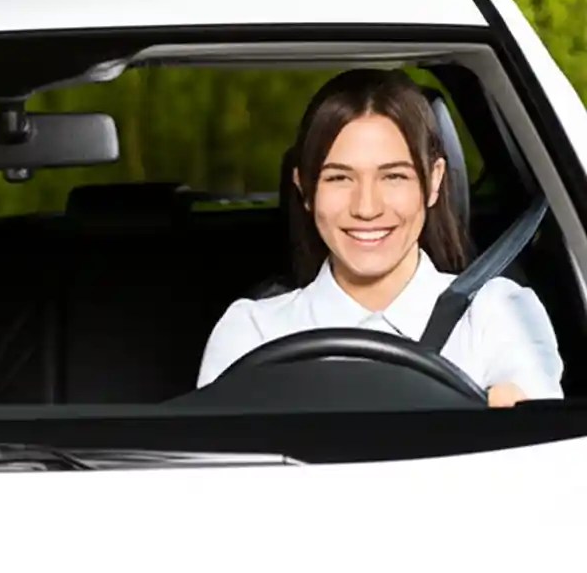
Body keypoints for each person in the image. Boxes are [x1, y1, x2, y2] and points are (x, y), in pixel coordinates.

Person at [197, 69, 563, 407]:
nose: (367, 207)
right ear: (304, 189)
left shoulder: (496, 314)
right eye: (339, 178)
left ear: (434, 181)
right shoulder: (252, 331)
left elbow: (537, 446)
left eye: (394, 177)